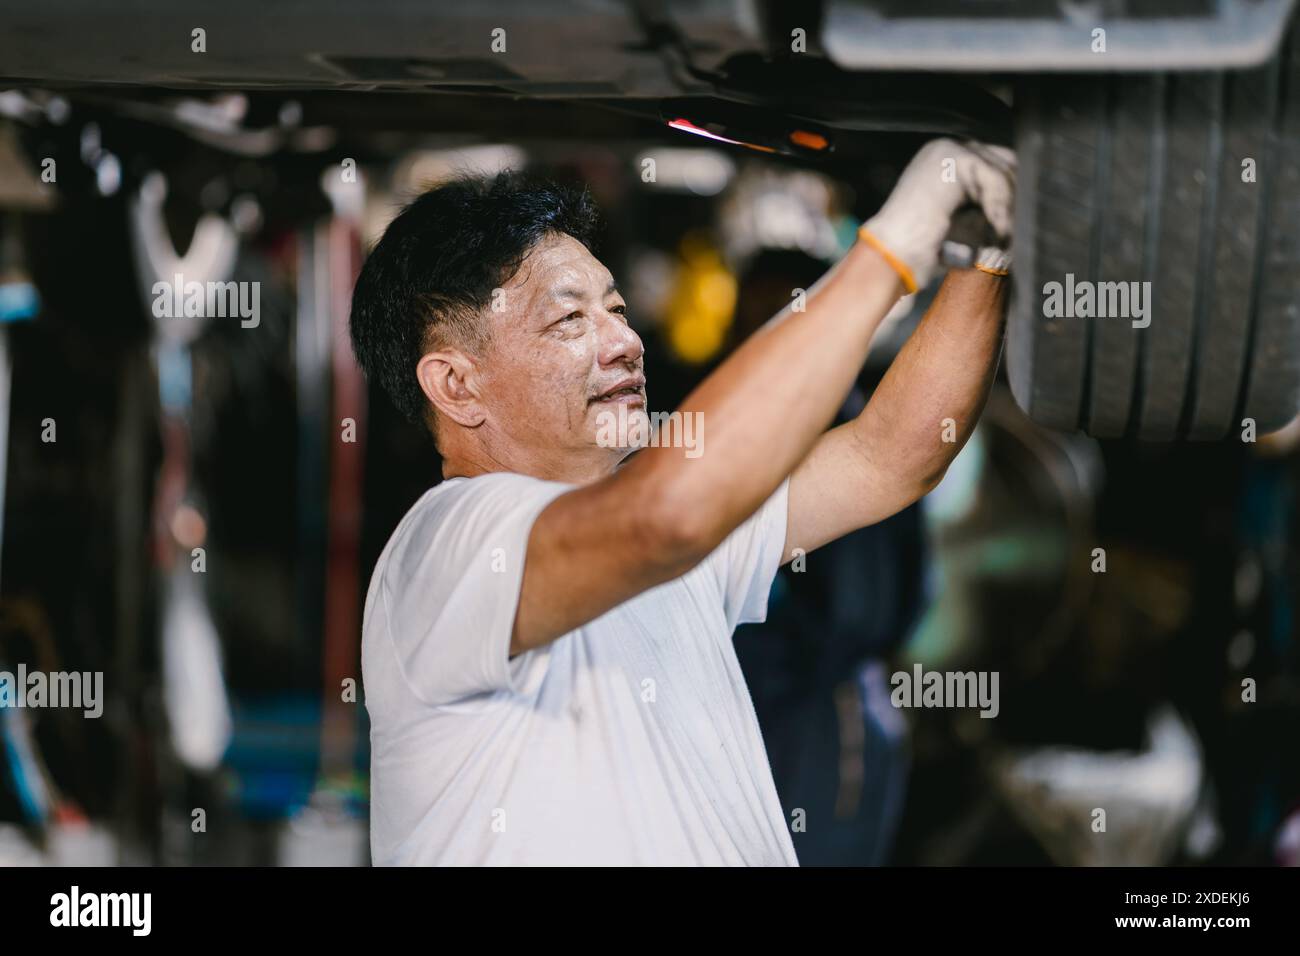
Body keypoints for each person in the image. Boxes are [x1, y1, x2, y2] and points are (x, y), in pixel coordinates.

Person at [348, 140, 1015, 865]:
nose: (626, 342)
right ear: (456, 386)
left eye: (617, 308)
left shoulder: (650, 524)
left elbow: (890, 457)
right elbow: (668, 515)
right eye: (569, 321)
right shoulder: (451, 545)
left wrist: (980, 260)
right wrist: (889, 253)